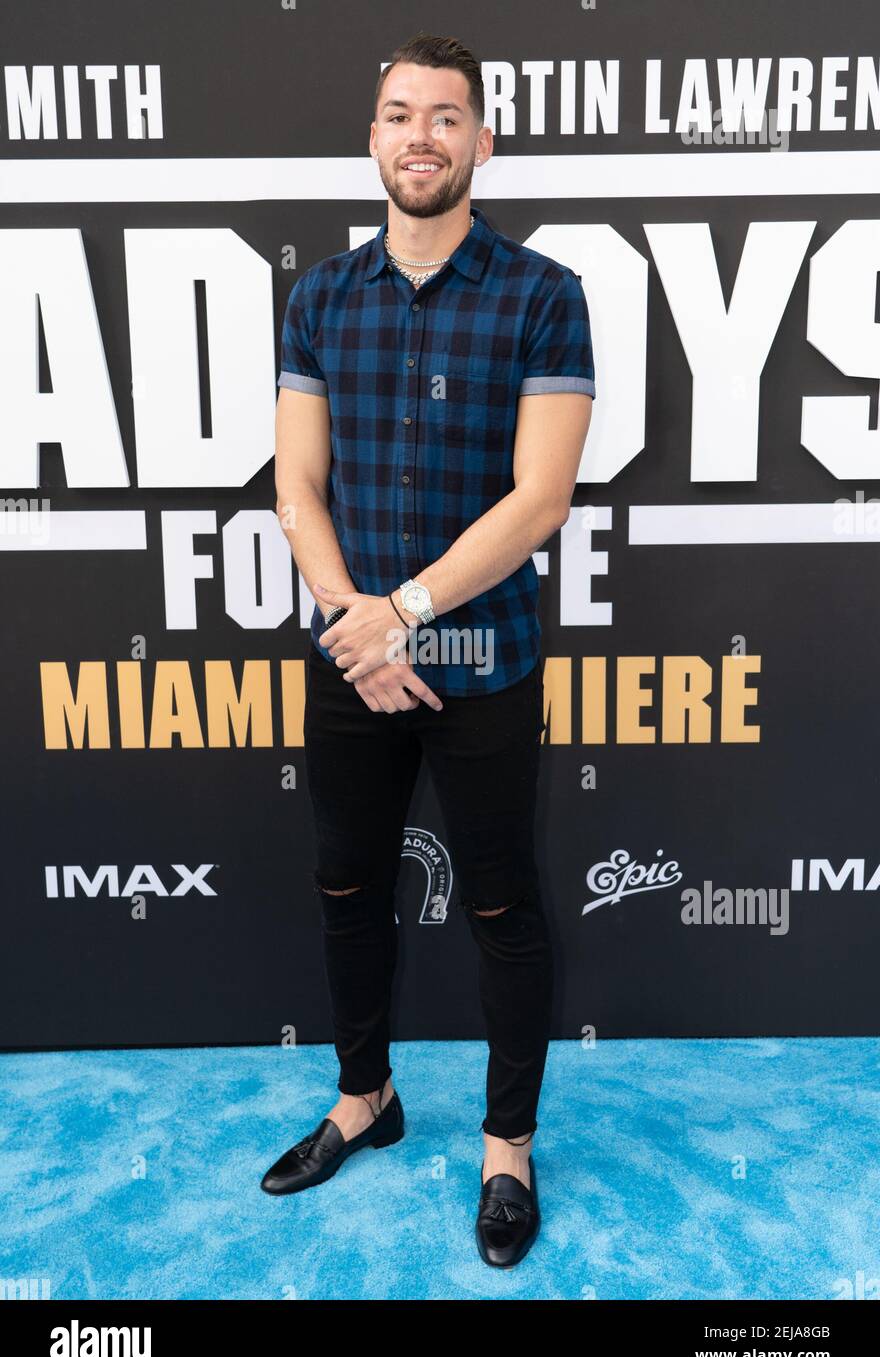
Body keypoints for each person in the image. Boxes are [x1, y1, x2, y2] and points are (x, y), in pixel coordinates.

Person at [262, 30, 595, 1269]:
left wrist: (401, 612)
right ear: (373, 136)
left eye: (445, 116)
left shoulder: (543, 294)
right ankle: (365, 1100)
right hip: (354, 662)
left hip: (484, 666)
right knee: (347, 888)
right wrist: (358, 629)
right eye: (400, 114)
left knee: (504, 904)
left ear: (480, 141)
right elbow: (297, 481)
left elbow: (539, 499)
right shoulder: (319, 296)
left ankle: (507, 1148)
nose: (420, 136)